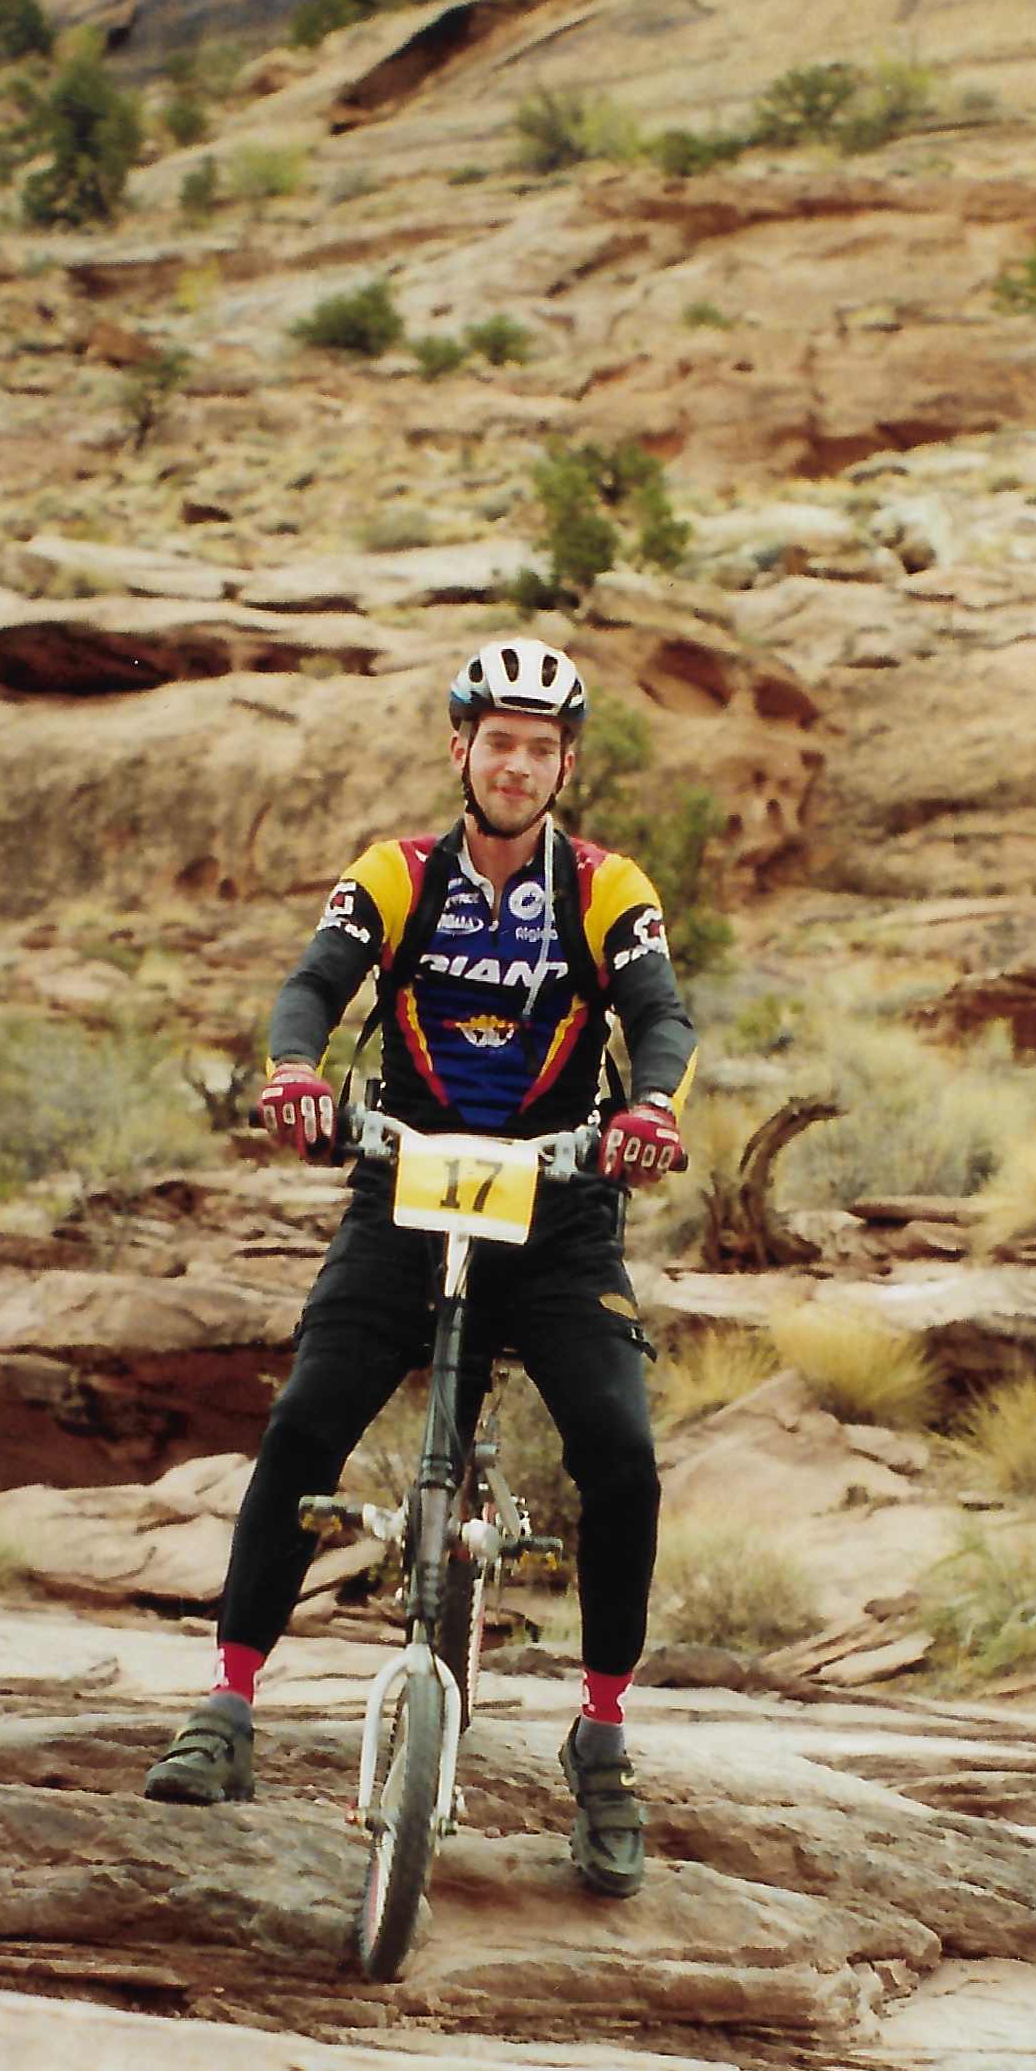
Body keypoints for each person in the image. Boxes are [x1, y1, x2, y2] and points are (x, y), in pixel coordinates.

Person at [143, 637, 698, 1897]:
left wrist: (649, 1105)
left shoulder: (607, 886)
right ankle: (228, 1705)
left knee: (622, 1453)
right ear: (461, 749)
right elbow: (314, 984)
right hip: (405, 1188)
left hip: (558, 1208)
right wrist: (295, 1076)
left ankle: (603, 1741)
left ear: (563, 765)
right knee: (304, 1425)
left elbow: (659, 1014)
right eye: (496, 740)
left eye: (540, 746)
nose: (516, 763)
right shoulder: (396, 873)